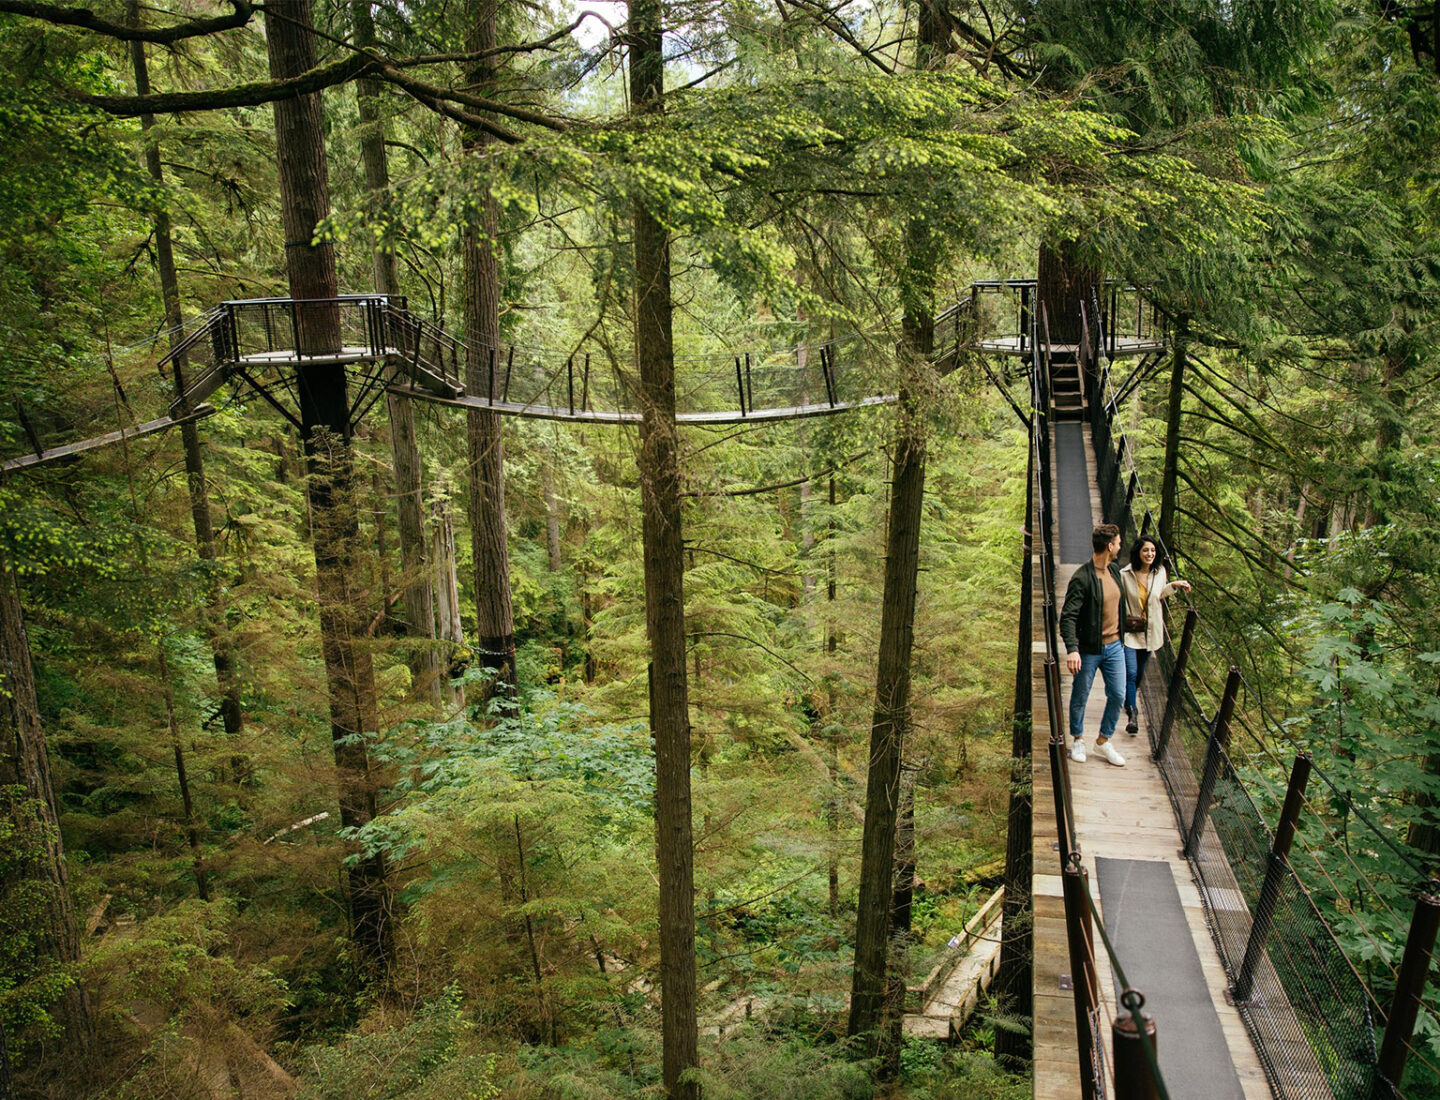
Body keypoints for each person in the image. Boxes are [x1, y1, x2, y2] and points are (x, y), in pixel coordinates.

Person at [1059, 523, 1127, 766]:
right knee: (1081, 695)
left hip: (1115, 646)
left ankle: (1103, 740)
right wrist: (1072, 649)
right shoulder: (1082, 578)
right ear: (1109, 546)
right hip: (1088, 649)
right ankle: (1078, 738)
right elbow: (1068, 616)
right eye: (1118, 543)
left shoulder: (1115, 571)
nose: (1120, 546)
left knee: (1119, 694)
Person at [1119, 535, 1191, 734]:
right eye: (1145, 550)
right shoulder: (1125, 574)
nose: (1150, 554)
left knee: (1139, 673)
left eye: (1152, 550)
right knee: (1131, 673)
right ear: (1138, 553)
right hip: (1130, 631)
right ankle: (1133, 713)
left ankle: (1128, 699)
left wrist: (1174, 585)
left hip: (1149, 632)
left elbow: (1159, 594)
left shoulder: (1160, 573)